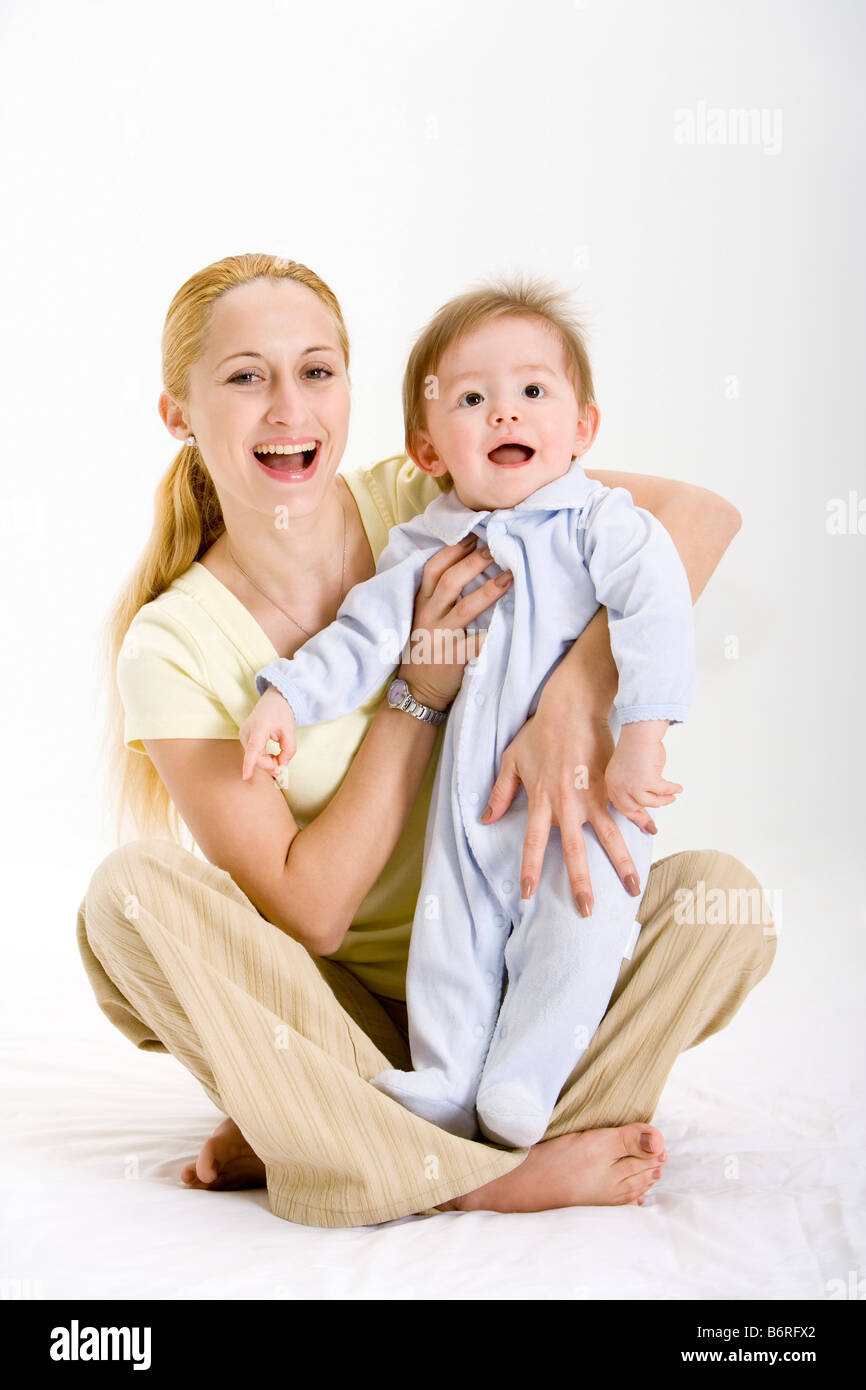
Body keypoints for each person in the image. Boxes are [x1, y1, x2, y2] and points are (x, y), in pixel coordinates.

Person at [76, 252, 776, 1228]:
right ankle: (481, 1172)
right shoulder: (173, 642)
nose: (290, 407)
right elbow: (314, 912)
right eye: (246, 375)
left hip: (522, 964)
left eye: (316, 369)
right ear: (179, 412)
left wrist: (574, 693)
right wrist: (419, 691)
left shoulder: (424, 492)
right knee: (129, 900)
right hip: (339, 1013)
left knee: (724, 905)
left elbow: (694, 519)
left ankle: (345, 1143)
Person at [239, 277, 697, 1149]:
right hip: (467, 809)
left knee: (580, 930)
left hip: (590, 799)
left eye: (533, 392)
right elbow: (363, 637)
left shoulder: (604, 526)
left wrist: (642, 735)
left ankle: (523, 1084)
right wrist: (285, 699)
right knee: (450, 945)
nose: (504, 415)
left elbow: (659, 616)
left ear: (583, 428)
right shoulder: (426, 544)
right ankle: (445, 1082)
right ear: (428, 447)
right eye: (473, 400)